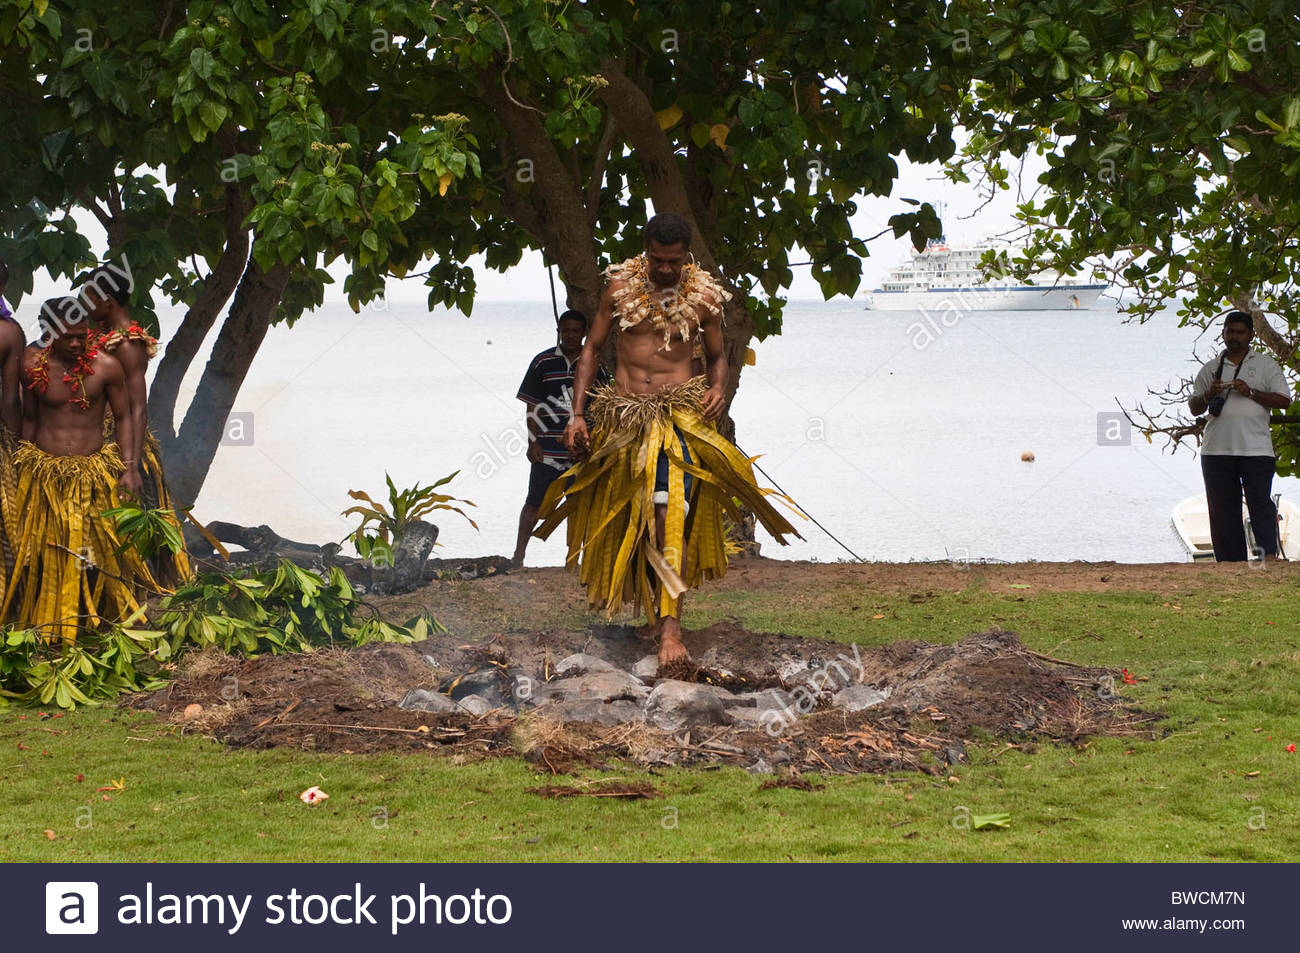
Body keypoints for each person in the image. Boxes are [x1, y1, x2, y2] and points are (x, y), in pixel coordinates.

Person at [534, 212, 801, 673]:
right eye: (657, 260)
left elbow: (718, 357)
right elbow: (592, 350)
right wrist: (577, 414)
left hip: (677, 419)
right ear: (646, 250)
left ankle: (671, 627)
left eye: (673, 262)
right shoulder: (619, 290)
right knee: (632, 521)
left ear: (685, 256)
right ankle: (656, 614)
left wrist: (718, 388)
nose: (663, 270)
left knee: (667, 513)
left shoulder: (703, 299)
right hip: (623, 417)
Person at [1, 298, 157, 641]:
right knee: (42, 550)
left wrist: (129, 469)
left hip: (92, 474)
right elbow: (28, 417)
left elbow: (124, 418)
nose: (75, 343)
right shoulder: (31, 367)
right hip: (43, 475)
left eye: (81, 336)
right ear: (50, 333)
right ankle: (44, 627)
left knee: (99, 550)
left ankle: (98, 623)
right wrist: (20, 465)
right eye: (67, 337)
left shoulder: (106, 367)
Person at [78, 263, 191, 585]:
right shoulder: (101, 337)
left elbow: (138, 409)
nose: (83, 305)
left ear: (108, 301)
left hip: (121, 443)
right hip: (100, 442)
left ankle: (146, 588)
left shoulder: (127, 345)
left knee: (130, 522)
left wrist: (130, 465)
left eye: (89, 297)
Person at [1188, 310, 1291, 561]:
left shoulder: (1266, 365)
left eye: (1239, 332)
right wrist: (1208, 395)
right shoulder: (1211, 369)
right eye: (1229, 331)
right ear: (1222, 333)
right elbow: (1194, 408)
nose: (1234, 336)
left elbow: (1284, 400)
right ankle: (1229, 564)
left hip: (1256, 449)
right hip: (1216, 450)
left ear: (1251, 336)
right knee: (1222, 510)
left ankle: (1269, 559)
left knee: (1260, 505)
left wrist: (1251, 392)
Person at [512, 309, 593, 567]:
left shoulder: (593, 365)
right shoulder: (542, 362)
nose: (570, 335)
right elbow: (531, 405)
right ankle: (519, 555)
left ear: (584, 334)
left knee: (578, 505)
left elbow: (601, 408)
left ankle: (573, 560)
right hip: (546, 451)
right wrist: (532, 441)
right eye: (565, 330)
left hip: (579, 452)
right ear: (558, 331)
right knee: (533, 503)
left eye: (575, 331)